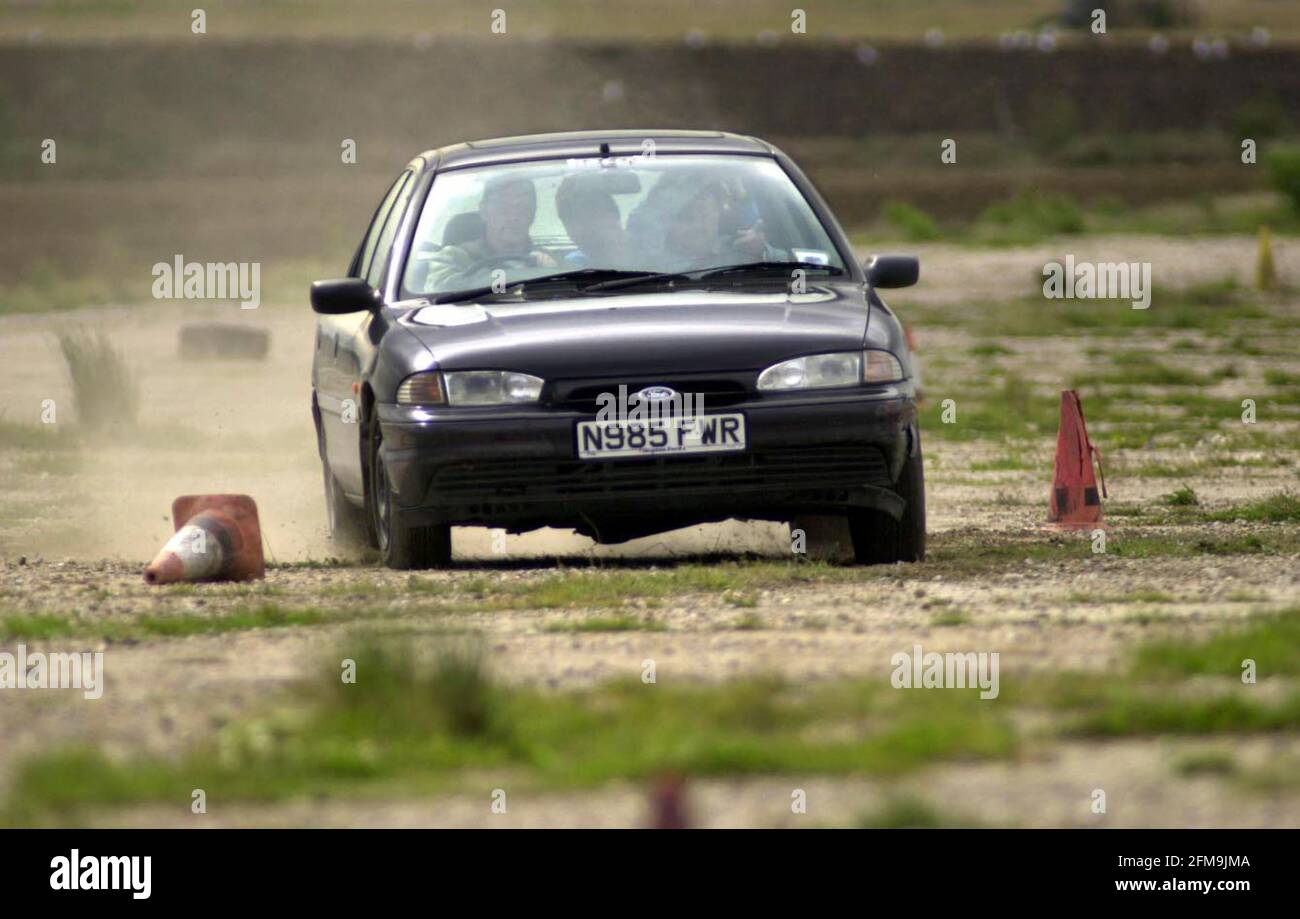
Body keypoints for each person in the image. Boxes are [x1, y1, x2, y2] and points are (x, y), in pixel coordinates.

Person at [423, 175, 556, 289]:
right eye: (504, 208)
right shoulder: (453, 258)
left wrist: (552, 276)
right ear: (484, 212)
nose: (514, 217)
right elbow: (439, 294)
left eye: (523, 207)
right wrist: (525, 275)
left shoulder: (551, 262)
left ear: (533, 213)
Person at [555, 176, 628, 268]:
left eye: (592, 216)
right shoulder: (570, 268)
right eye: (570, 221)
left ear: (615, 214)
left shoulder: (648, 255)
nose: (585, 231)